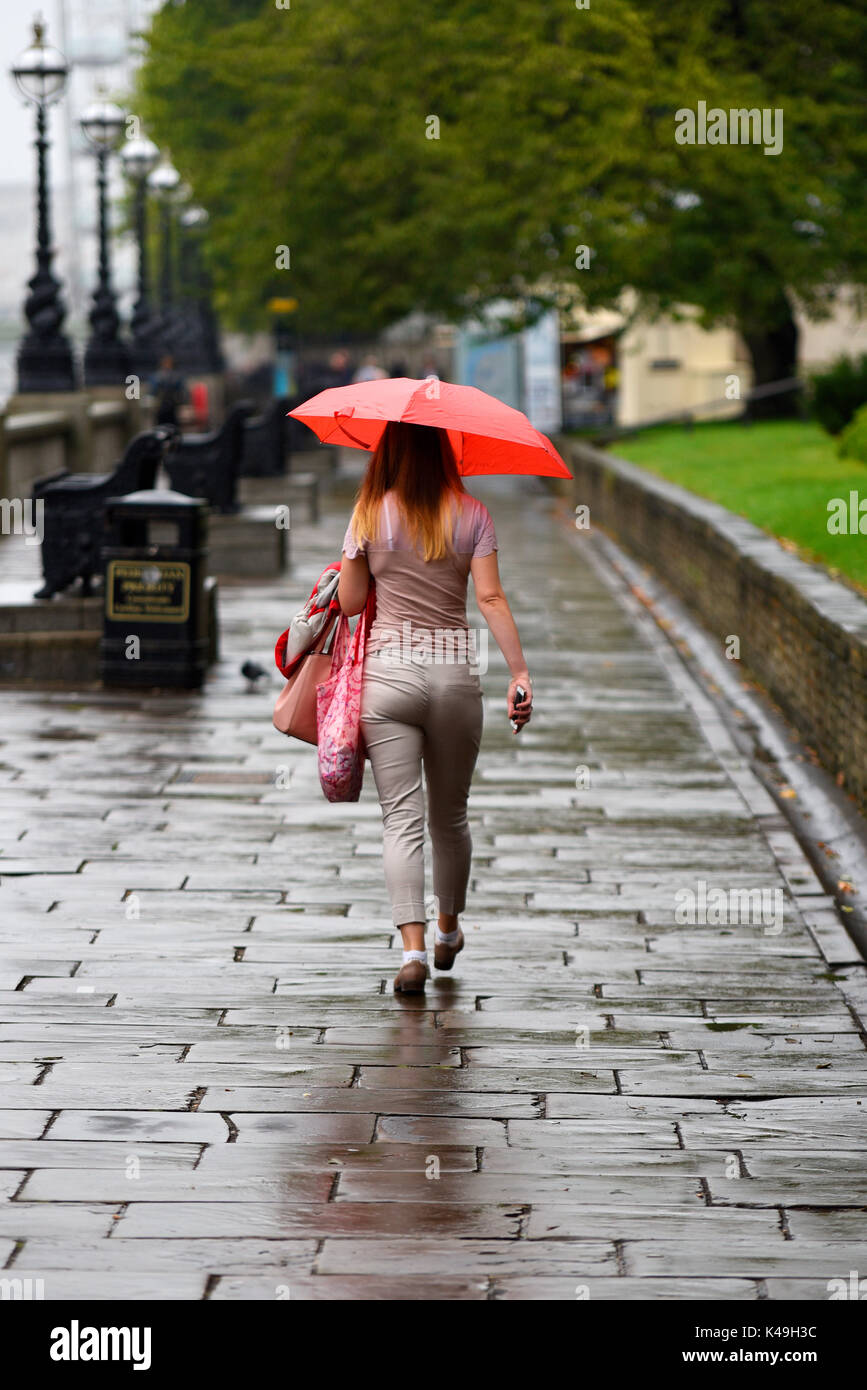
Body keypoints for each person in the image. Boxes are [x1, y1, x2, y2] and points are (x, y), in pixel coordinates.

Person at [338, 421, 532, 993]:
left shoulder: (369, 512)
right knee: (451, 815)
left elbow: (349, 602)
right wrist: (519, 672)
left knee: (401, 818)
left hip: (388, 676)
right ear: (445, 450)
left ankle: (413, 952)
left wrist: (369, 564)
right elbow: (491, 597)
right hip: (453, 673)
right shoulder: (473, 514)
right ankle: (449, 931)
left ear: (389, 451)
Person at [150, 353, 187, 428]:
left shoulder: (176, 376)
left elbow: (182, 392)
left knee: (172, 425)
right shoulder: (157, 376)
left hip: (172, 407)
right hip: (162, 407)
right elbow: (153, 392)